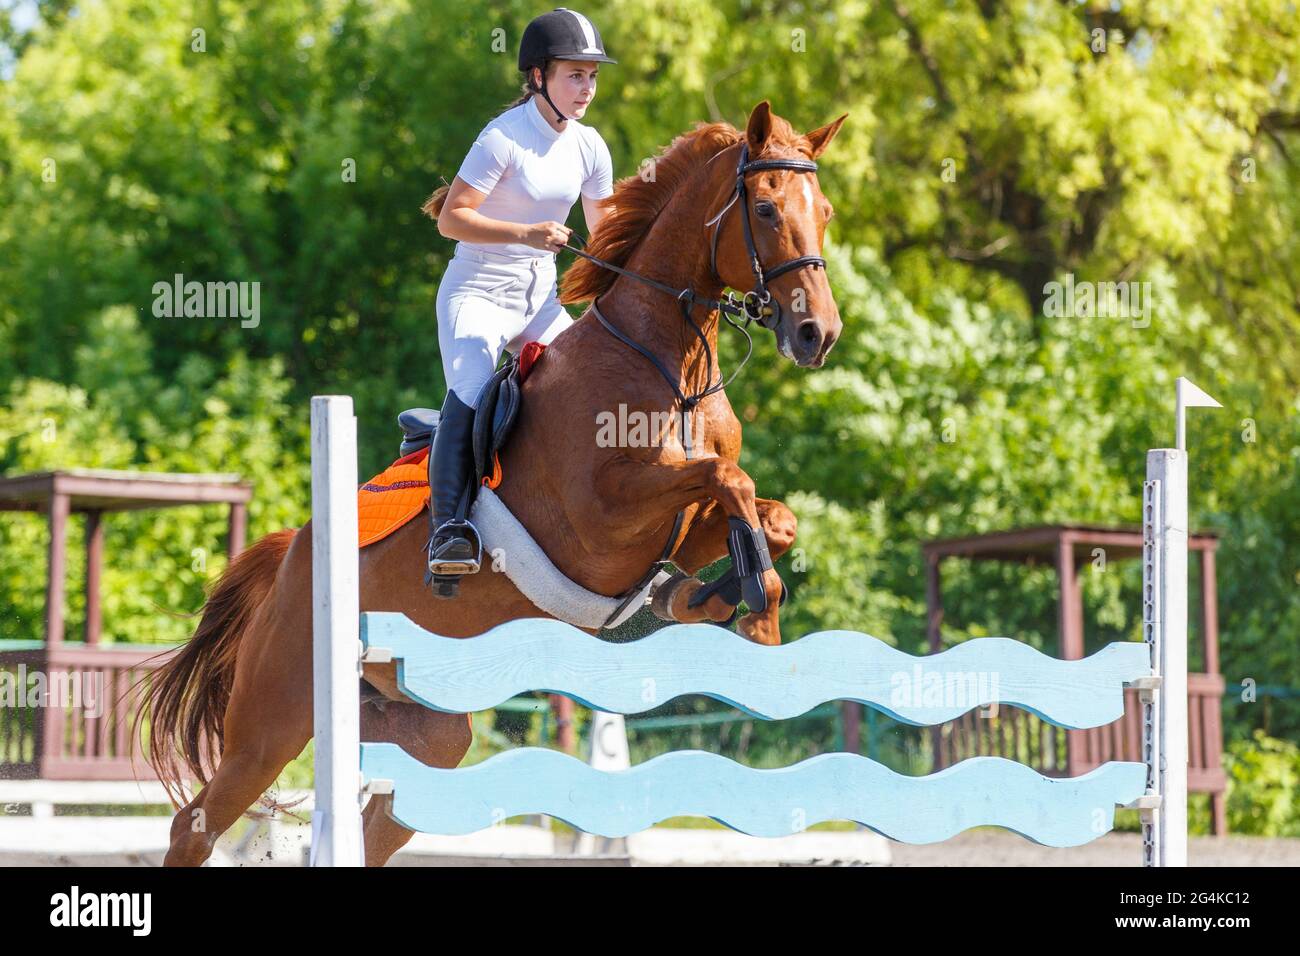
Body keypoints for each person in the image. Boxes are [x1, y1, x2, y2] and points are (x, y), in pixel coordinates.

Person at [420, 8, 617, 585]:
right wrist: (527, 235)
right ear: (538, 77)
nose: (586, 89)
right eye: (574, 75)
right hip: (477, 293)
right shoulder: (502, 139)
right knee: (474, 387)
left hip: (539, 302)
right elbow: (452, 220)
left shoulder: (590, 146)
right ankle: (448, 528)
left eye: (592, 77)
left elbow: (605, 233)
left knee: (595, 383)